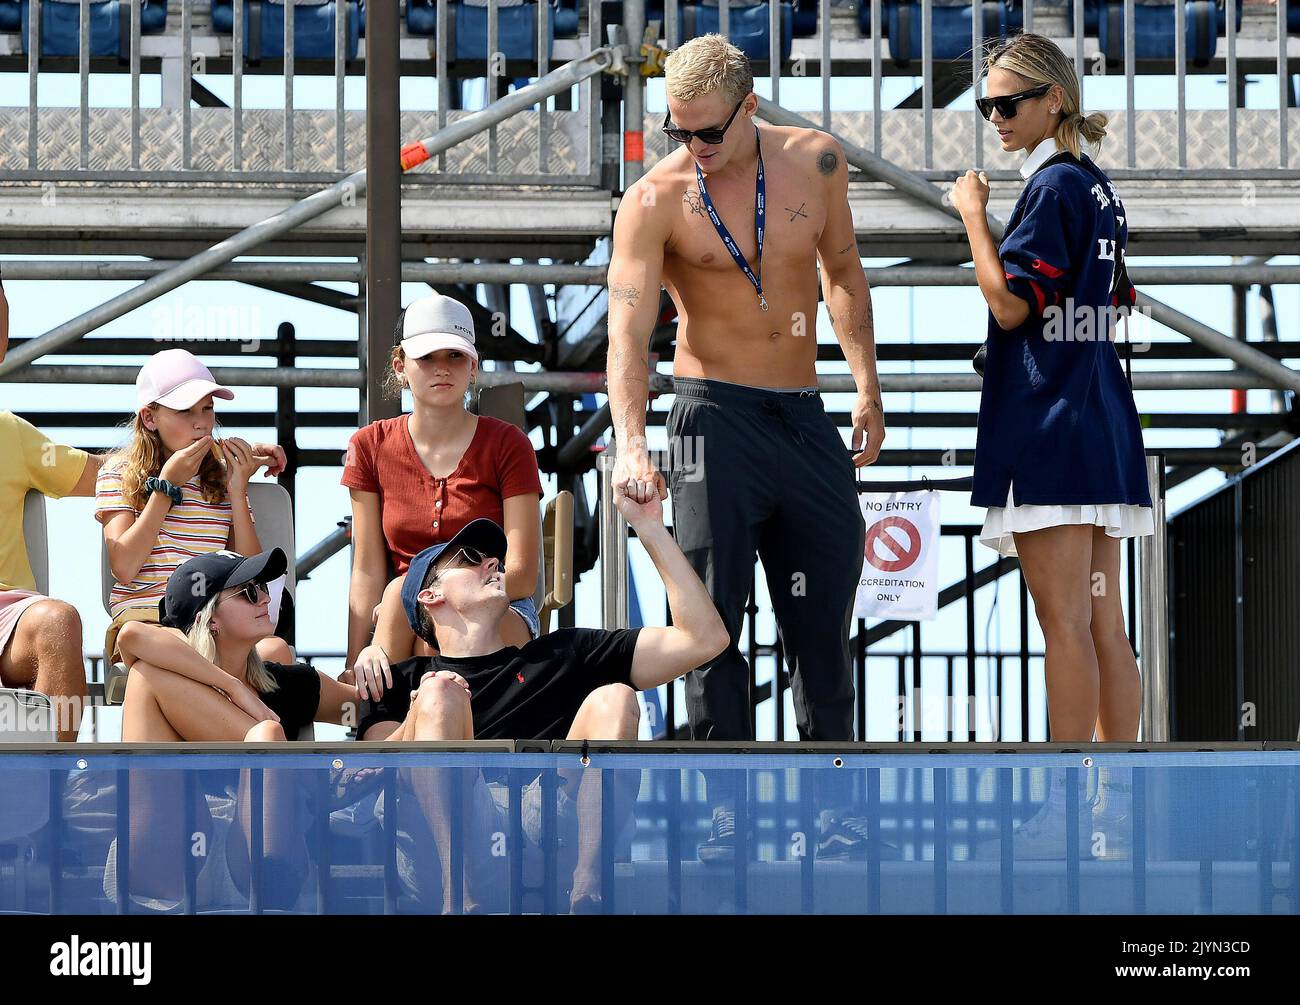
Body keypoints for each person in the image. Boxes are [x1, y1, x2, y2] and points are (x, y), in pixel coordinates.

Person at [604, 33, 885, 861]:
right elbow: (628, 334)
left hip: (803, 413)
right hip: (709, 415)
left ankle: (838, 813)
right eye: (675, 130)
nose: (690, 147)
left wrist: (867, 384)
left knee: (822, 619)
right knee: (710, 622)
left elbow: (843, 273)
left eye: (706, 133)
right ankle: (724, 818)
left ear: (750, 108)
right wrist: (630, 442)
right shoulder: (653, 200)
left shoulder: (818, 164)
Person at [951, 33, 1152, 858]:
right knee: (1105, 623)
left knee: (1064, 623)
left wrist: (971, 217)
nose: (994, 118)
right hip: (1102, 426)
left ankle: (1066, 810)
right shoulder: (1099, 190)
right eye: (986, 105)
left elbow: (1010, 308)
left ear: (1053, 102)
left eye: (1008, 104)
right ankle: (1119, 811)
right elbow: (1115, 300)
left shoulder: (1054, 186)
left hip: (1051, 427)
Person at [356, 490, 729, 912]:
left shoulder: (564, 653)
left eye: (494, 557)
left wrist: (648, 528)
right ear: (429, 596)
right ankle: (459, 898)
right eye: (470, 557)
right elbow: (377, 775)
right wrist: (425, 706)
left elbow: (705, 640)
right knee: (441, 691)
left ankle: (588, 892)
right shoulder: (395, 682)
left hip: (547, 826)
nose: (492, 563)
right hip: (437, 849)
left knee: (616, 697)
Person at [113, 548, 362, 908]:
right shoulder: (163, 676)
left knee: (267, 736)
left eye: (263, 588)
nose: (264, 598)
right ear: (210, 617)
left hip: (256, 854)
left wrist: (374, 657)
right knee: (143, 676)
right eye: (248, 592)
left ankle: (269, 897)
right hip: (170, 859)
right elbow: (131, 636)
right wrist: (233, 688)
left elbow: (366, 707)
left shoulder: (288, 683)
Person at [342, 292, 542, 702]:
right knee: (403, 617)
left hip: (495, 604)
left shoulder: (509, 444)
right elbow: (366, 569)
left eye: (455, 356)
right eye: (427, 357)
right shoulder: (369, 446)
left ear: (473, 366)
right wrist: (353, 659)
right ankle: (382, 732)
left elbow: (521, 575)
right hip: (401, 612)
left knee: (411, 612)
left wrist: (436, 598)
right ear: (400, 367)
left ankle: (398, 741)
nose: (442, 369)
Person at [95, 349, 290, 668]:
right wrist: (166, 487)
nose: (201, 423)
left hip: (216, 625)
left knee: (275, 651)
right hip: (150, 625)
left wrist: (237, 490)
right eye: (186, 411)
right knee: (164, 646)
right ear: (149, 418)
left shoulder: (222, 474)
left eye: (208, 408)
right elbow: (125, 566)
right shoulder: (117, 472)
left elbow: (248, 572)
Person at [0, 411, 101, 741]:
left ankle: (50, 783)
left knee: (59, 620)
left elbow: (107, 474)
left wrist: (216, 457)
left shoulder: (8, 432)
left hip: (7, 614)